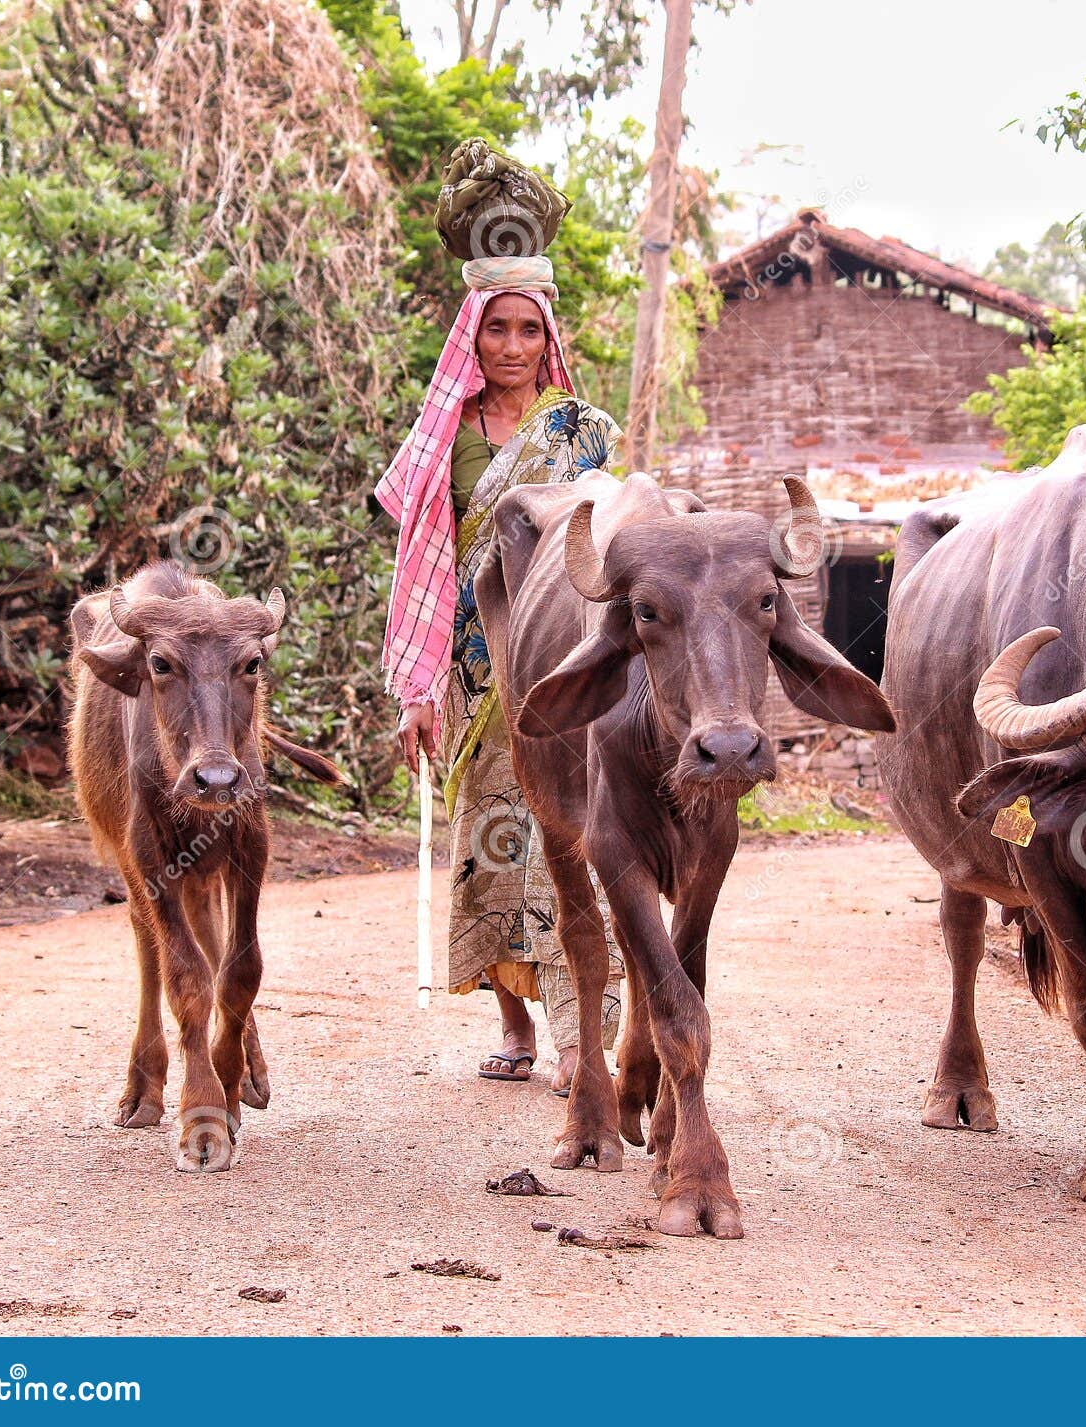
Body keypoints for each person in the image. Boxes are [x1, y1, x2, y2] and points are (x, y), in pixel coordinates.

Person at [375, 144, 621, 1095]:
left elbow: (612, 552)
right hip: (480, 679)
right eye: (496, 331)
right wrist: (418, 688)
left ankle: (579, 1041)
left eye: (529, 330)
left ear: (546, 335)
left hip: (571, 670)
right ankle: (515, 1025)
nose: (513, 347)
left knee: (577, 849)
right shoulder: (446, 442)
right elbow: (423, 570)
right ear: (471, 339)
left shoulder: (586, 436)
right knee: (493, 846)